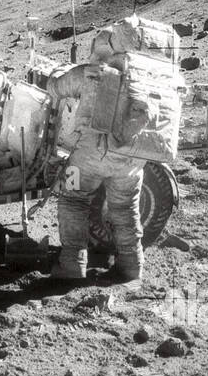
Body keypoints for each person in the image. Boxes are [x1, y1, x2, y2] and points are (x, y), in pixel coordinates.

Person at [45, 27, 149, 282]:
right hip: (132, 159)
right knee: (125, 208)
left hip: (90, 157)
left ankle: (72, 263)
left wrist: (57, 74)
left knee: (72, 198)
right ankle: (131, 265)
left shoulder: (90, 73)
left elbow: (56, 88)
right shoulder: (146, 78)